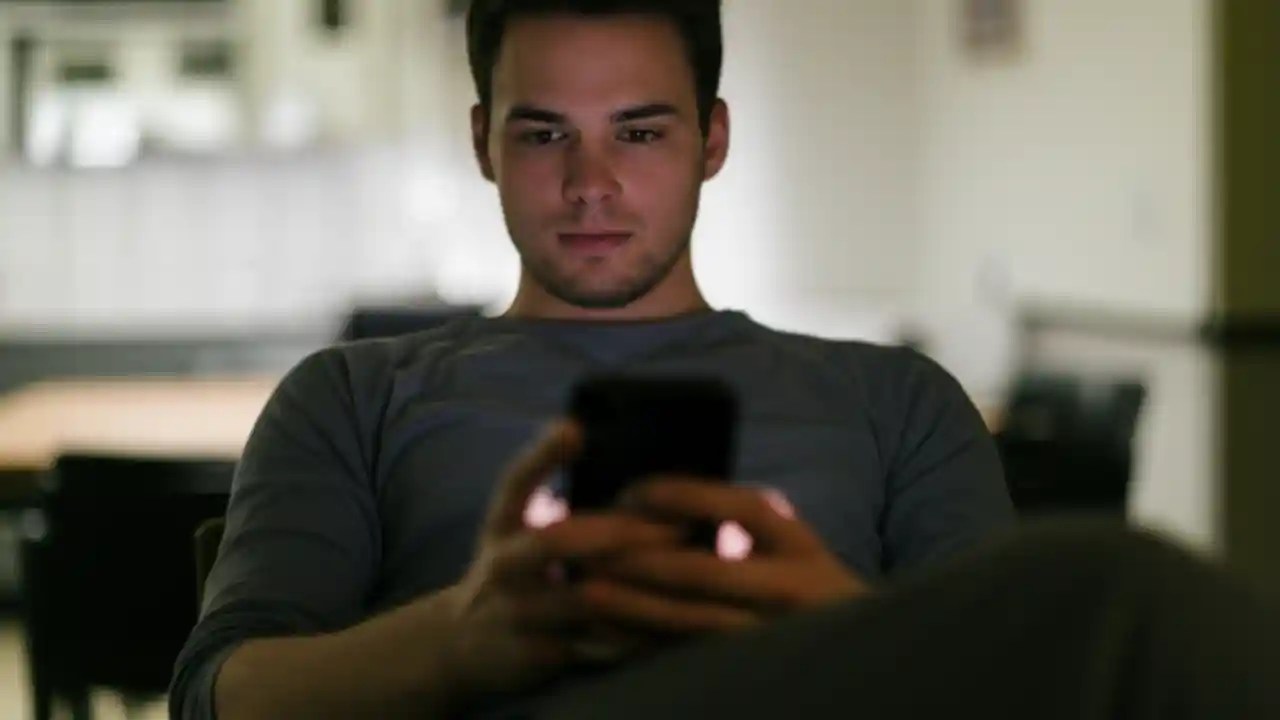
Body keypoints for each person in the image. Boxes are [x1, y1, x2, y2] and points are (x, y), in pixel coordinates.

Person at [171, 2, 1279, 718]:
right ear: (481, 144)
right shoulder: (351, 396)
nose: (591, 182)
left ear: (711, 139)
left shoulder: (894, 401)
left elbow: (1002, 676)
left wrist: (834, 626)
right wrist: (467, 640)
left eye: (640, 132)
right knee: (1135, 604)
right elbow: (221, 696)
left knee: (1132, 615)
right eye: (544, 132)